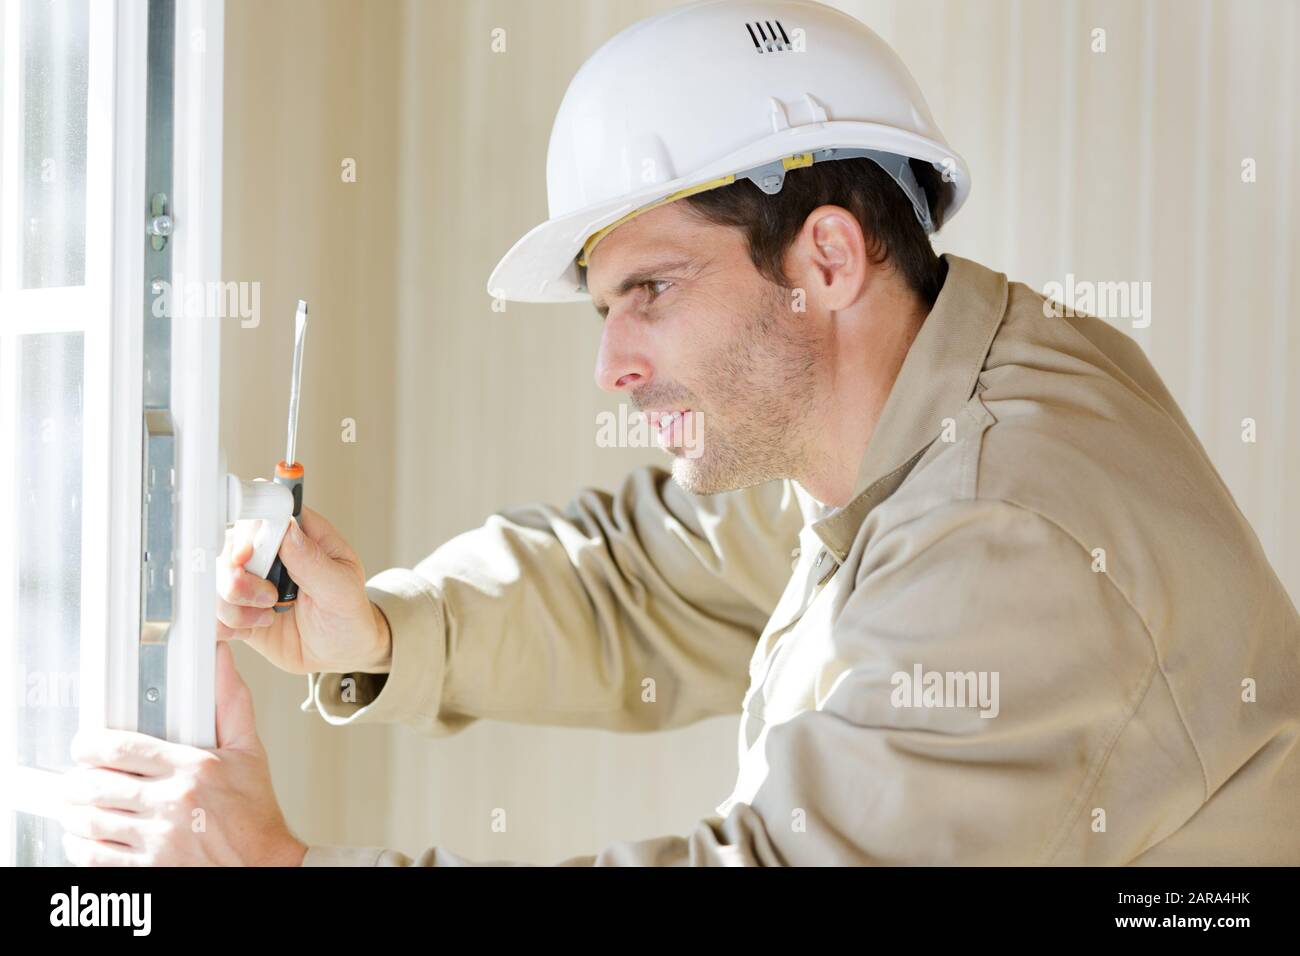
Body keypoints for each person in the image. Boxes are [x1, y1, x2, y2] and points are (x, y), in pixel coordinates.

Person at [60, 0, 1300, 867]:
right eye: (605, 311)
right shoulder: (899, 405)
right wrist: (382, 630)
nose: (612, 363)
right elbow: (646, 579)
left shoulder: (1014, 533)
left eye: (650, 290)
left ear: (823, 254)